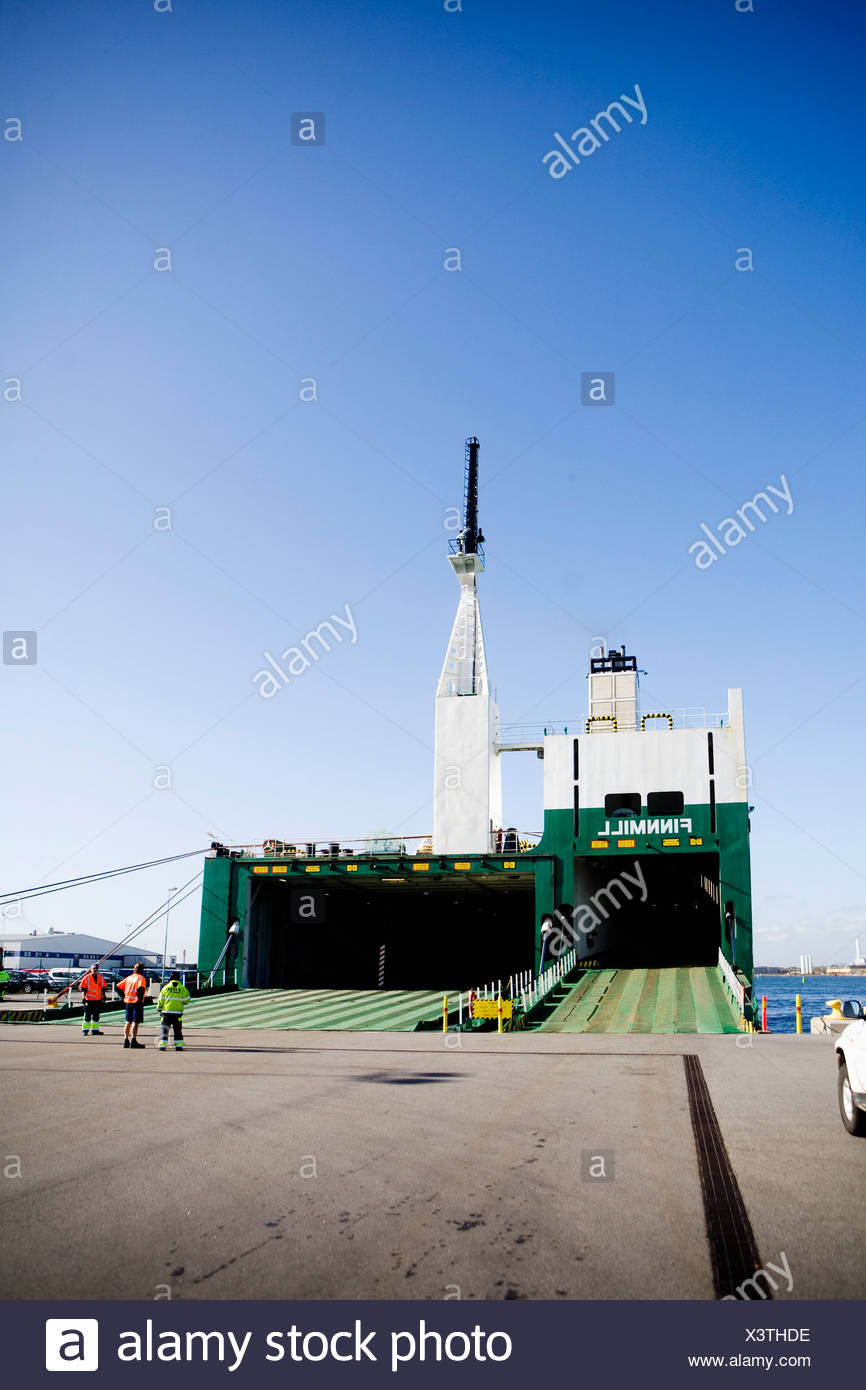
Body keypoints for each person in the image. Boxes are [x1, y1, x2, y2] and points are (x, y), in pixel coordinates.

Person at [156, 971, 191, 1051]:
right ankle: (178, 1046)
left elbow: (161, 999)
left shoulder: (166, 987)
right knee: (178, 1030)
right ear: (179, 978)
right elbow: (187, 1000)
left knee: (165, 1030)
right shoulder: (182, 988)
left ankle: (163, 1046)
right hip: (177, 1014)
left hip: (166, 1013)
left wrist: (159, 1007)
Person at [118, 961, 148, 1049]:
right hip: (136, 1002)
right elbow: (140, 989)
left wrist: (123, 996)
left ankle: (125, 1040)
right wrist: (139, 999)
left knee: (128, 1021)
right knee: (135, 1022)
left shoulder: (129, 978)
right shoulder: (141, 978)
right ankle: (133, 1040)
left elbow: (118, 987)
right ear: (142, 970)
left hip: (128, 1001)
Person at [78, 964, 107, 1036]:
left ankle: (95, 1030)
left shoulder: (101, 978)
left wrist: (104, 996)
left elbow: (103, 988)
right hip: (89, 1000)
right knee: (87, 1016)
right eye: (93, 968)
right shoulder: (86, 978)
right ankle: (85, 1030)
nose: (95, 970)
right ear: (91, 969)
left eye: (96, 969)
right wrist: (83, 998)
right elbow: (83, 989)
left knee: (96, 1016)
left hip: (97, 1000)